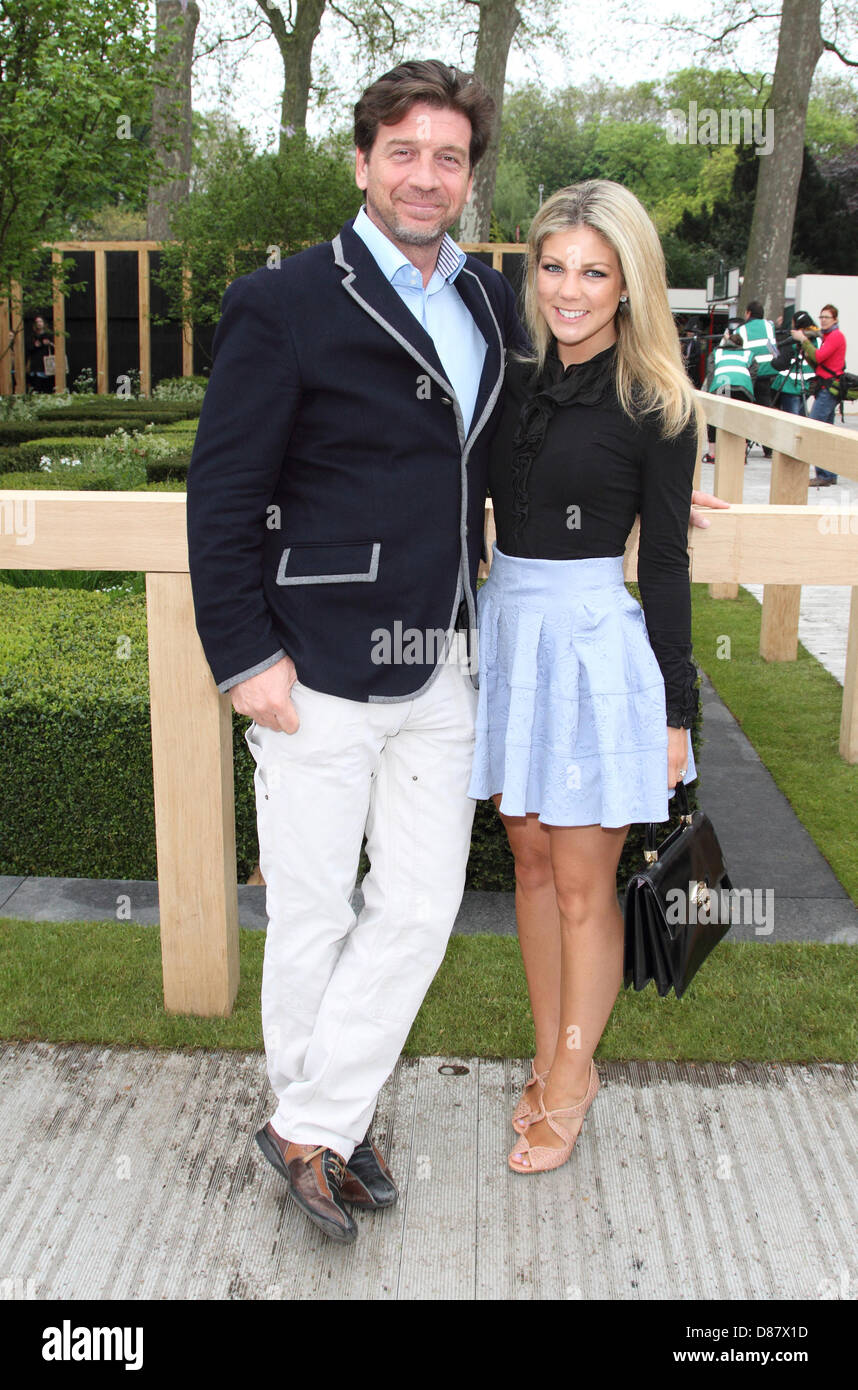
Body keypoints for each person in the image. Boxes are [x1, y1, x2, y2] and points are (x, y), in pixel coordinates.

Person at [186, 64, 726, 1242]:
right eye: (403, 151)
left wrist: (649, 486)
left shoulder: (486, 300)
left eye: (448, 157)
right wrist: (242, 654)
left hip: (449, 664)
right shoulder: (281, 301)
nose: (425, 176)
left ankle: (321, 1119)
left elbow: (557, 429)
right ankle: (321, 1125)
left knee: (422, 905)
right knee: (315, 909)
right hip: (311, 665)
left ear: (471, 177)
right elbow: (220, 493)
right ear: (362, 161)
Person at [468, 179, 702, 1175]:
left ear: (628, 283)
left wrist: (677, 712)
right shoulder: (507, 375)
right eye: (553, 267)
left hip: (593, 647)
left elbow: (665, 565)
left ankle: (573, 1073)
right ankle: (546, 1051)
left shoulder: (658, 404)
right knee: (527, 865)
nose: (568, 290)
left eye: (593, 272)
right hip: (509, 635)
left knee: (579, 883)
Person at [793, 304, 846, 486]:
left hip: (828, 390)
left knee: (815, 429)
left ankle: (824, 475)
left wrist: (803, 340)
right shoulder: (828, 336)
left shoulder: (835, 336)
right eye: (821, 317)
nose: (823, 320)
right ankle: (827, 474)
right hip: (825, 388)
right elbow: (818, 362)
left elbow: (819, 357)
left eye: (826, 317)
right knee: (825, 432)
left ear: (835, 319)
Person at [700, 323, 755, 464]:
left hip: (722, 384)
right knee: (743, 419)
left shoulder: (717, 352)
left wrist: (712, 394)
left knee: (715, 418)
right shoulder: (748, 353)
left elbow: (711, 372)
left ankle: (712, 454)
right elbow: (753, 372)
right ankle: (742, 456)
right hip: (743, 387)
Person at [736, 299, 777, 456]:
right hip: (768, 372)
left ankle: (743, 446)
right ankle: (768, 448)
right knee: (765, 410)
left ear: (748, 313)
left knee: (747, 410)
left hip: (750, 374)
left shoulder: (741, 330)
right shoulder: (769, 325)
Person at [770, 310, 817, 420]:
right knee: (802, 416)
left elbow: (781, 364)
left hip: (791, 386)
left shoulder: (794, 340)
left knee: (792, 419)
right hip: (809, 385)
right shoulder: (818, 339)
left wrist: (773, 358)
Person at [26, 315, 56, 394]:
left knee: (47, 386)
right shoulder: (33, 336)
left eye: (40, 321)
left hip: (47, 364)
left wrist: (49, 343)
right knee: (36, 386)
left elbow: (56, 347)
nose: (39, 323)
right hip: (36, 364)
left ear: (44, 323)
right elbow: (28, 349)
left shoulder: (49, 335)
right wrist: (35, 345)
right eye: (37, 322)